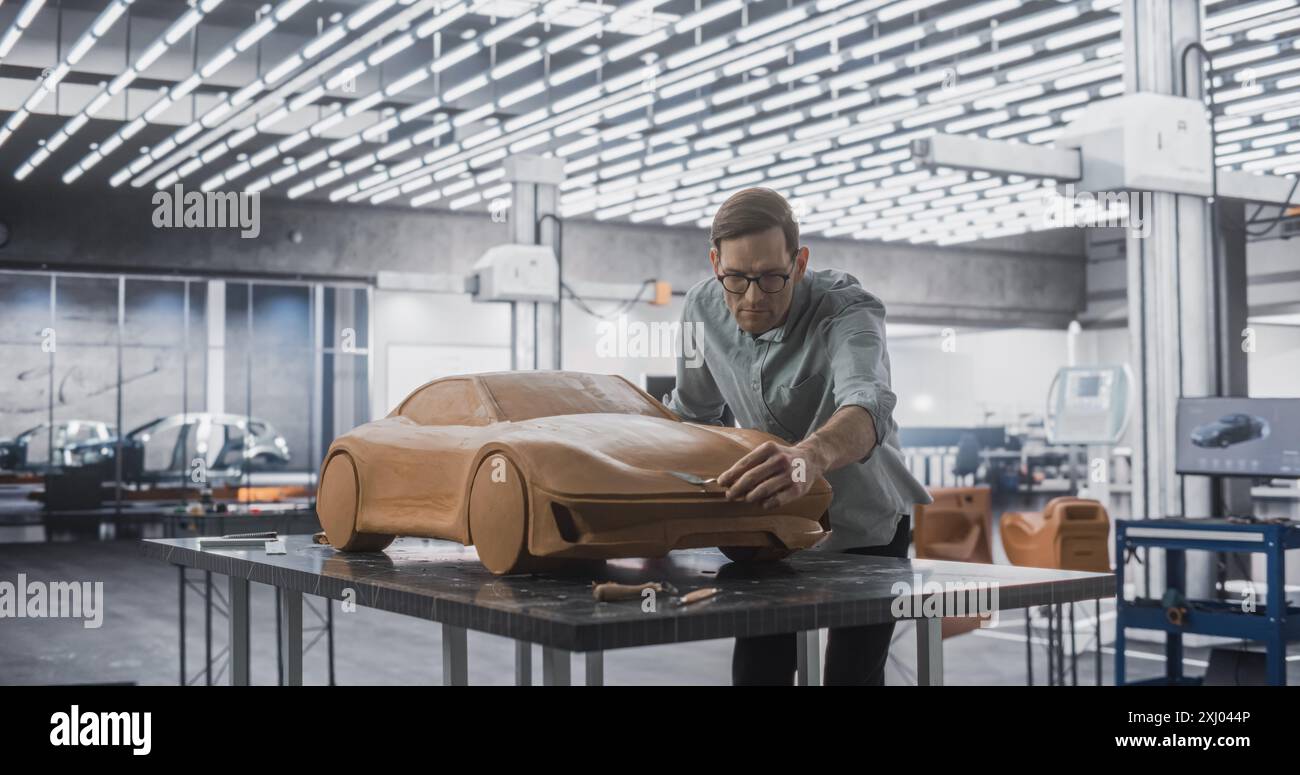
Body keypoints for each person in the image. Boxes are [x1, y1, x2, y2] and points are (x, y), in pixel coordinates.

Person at [665, 187, 931, 685]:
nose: (751, 298)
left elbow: (867, 403)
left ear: (800, 261)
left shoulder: (848, 310)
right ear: (715, 261)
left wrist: (809, 456)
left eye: (771, 278)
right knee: (757, 672)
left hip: (864, 526)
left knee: (851, 678)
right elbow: (692, 412)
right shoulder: (700, 309)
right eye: (736, 279)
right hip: (770, 523)